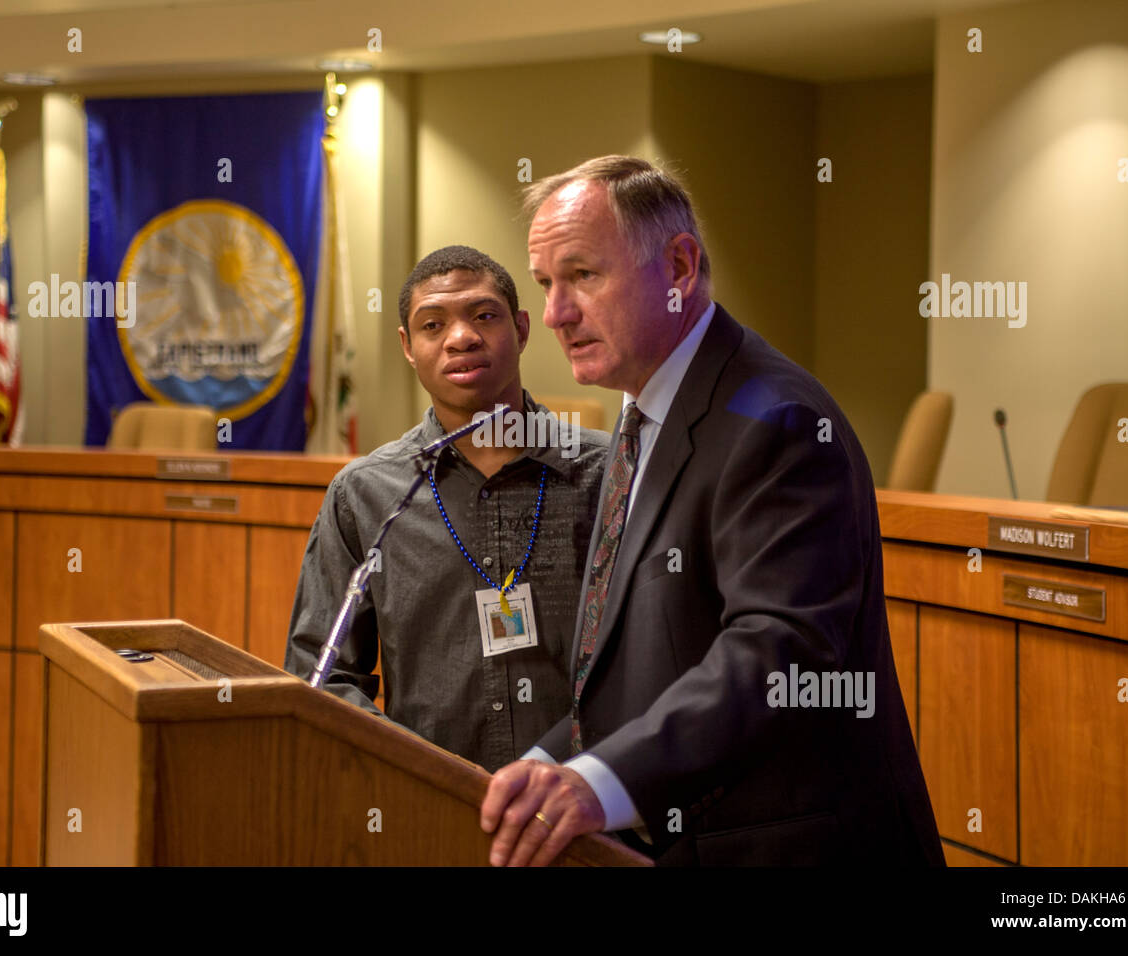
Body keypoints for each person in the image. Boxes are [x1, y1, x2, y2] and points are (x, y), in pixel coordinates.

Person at [479, 156, 945, 866]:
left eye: (583, 276)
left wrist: (601, 783)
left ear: (678, 267)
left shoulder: (777, 422)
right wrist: (543, 773)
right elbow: (637, 661)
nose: (555, 314)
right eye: (546, 284)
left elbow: (776, 653)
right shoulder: (640, 422)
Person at [284, 245, 609, 773]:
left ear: (523, 329)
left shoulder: (609, 471)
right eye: (433, 325)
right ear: (408, 347)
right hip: (429, 811)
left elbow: (651, 660)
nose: (461, 337)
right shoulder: (364, 496)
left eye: (484, 316)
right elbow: (320, 675)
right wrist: (426, 774)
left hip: (587, 811)